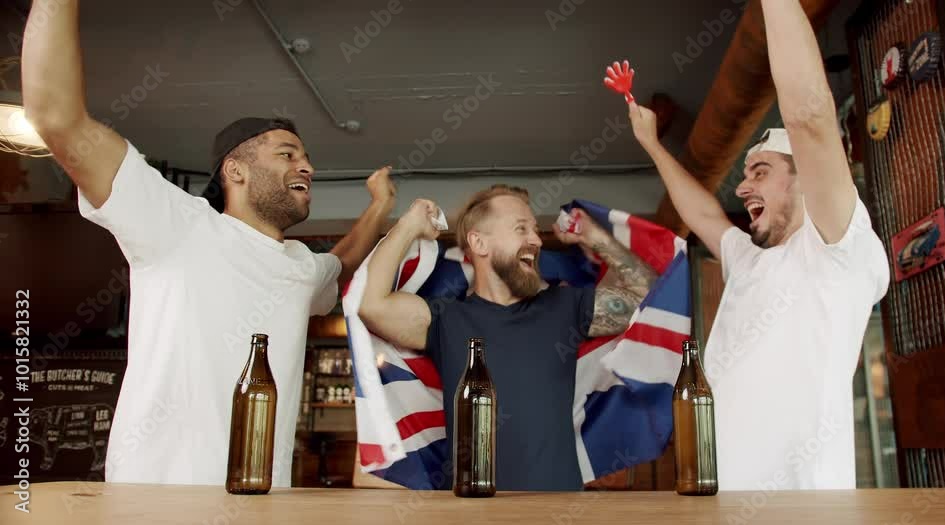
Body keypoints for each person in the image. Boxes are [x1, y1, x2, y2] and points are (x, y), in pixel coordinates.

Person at [22, 0, 395, 487]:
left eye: (306, 158)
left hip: (263, 506)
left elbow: (338, 266)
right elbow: (56, 117)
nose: (307, 166)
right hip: (156, 505)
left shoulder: (300, 268)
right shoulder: (178, 224)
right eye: (288, 154)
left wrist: (380, 208)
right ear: (235, 170)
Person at [628, 1, 890, 491]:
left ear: (804, 181)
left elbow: (810, 117)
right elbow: (702, 213)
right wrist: (650, 143)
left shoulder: (839, 245)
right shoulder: (750, 260)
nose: (743, 188)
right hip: (721, 501)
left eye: (761, 173)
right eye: (745, 176)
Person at [357, 185, 657, 490]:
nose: (537, 240)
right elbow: (370, 305)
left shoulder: (566, 306)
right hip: (470, 514)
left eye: (536, 230)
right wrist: (408, 225)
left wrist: (596, 237)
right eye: (521, 228)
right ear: (479, 242)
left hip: (557, 511)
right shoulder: (446, 319)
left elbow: (652, 300)